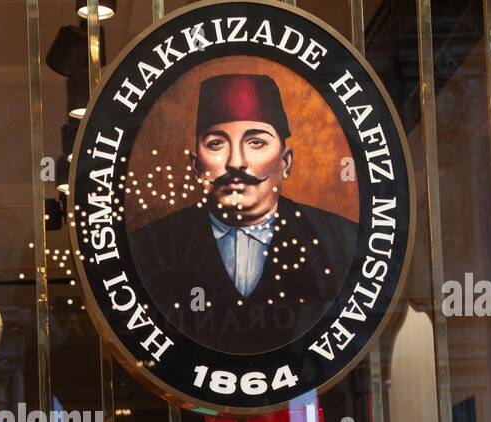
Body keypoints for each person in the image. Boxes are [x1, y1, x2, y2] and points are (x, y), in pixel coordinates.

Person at [128, 73, 358, 354]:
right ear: (197, 166)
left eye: (256, 142)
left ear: (286, 163)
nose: (236, 162)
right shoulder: (149, 247)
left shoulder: (342, 241)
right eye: (216, 144)